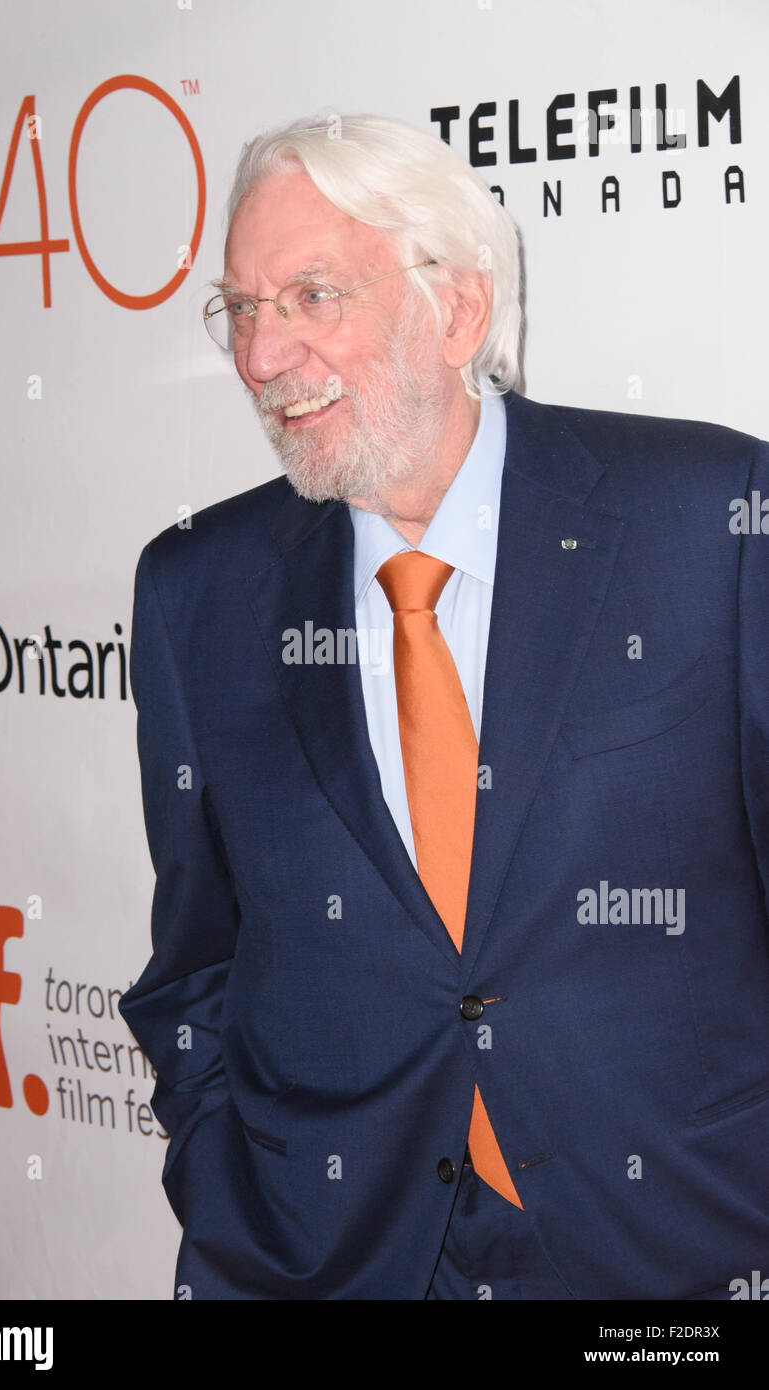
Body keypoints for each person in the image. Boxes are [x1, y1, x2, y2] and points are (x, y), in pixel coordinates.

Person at [119, 113, 769, 1301]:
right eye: (243, 308)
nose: (262, 356)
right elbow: (194, 963)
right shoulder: (196, 589)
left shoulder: (711, 520)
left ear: (457, 311)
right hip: (331, 1257)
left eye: (312, 297)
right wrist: (229, 1185)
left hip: (672, 1254)